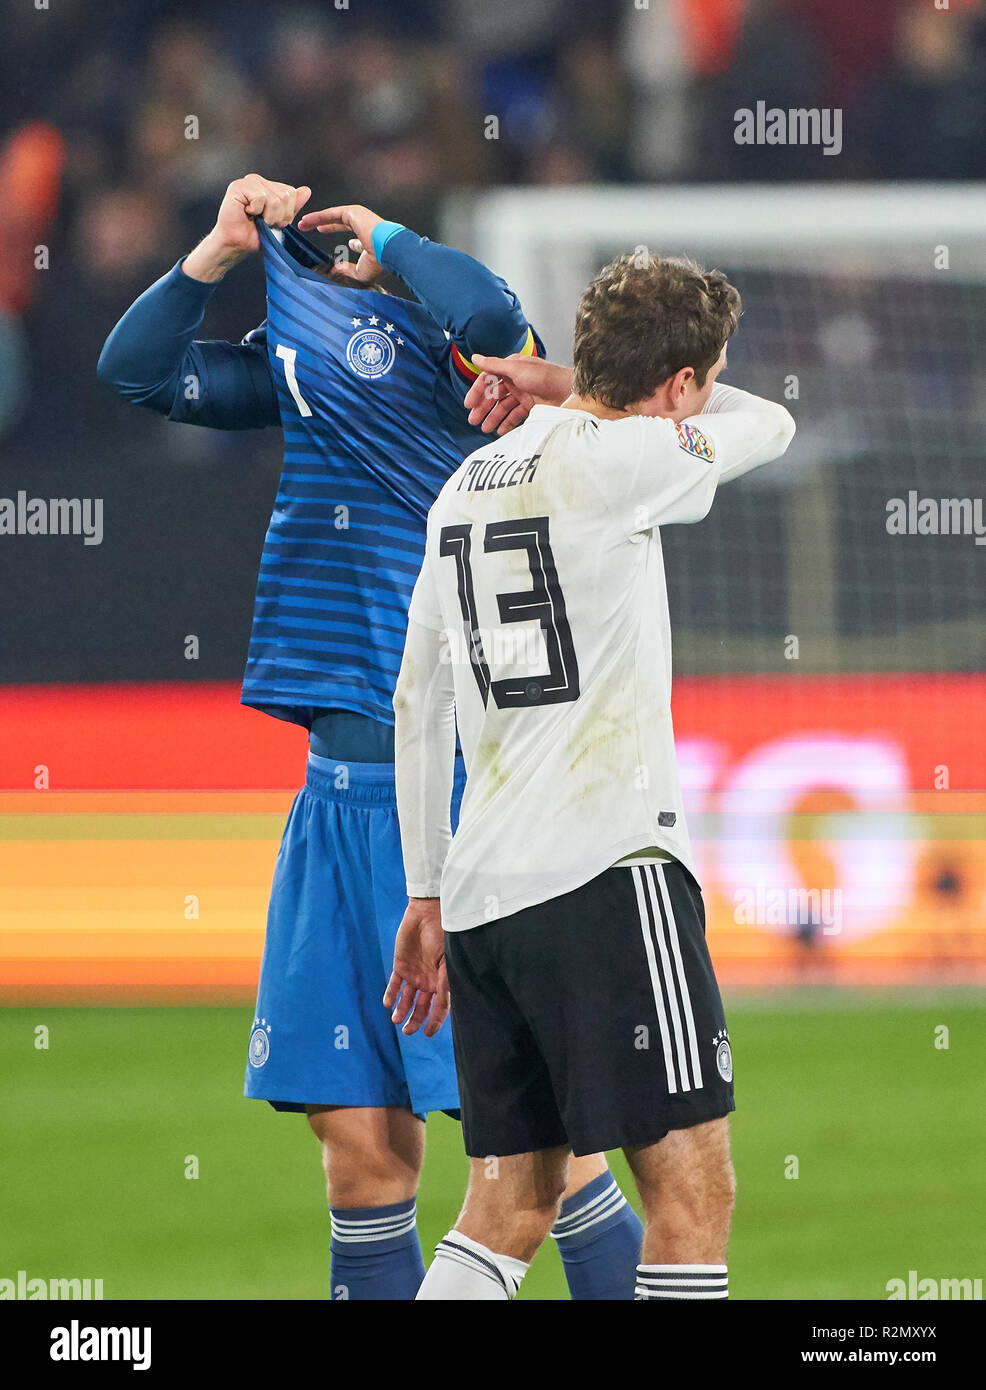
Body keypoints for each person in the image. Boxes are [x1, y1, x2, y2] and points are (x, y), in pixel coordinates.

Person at [97, 176, 642, 1300]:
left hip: (464, 800)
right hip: (335, 803)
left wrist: (387, 243)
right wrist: (214, 249)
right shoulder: (310, 385)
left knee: (547, 1151)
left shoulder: (486, 375)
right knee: (359, 1152)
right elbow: (136, 370)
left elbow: (489, 313)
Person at [386, 250, 796, 1300]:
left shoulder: (458, 488)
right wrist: (579, 391)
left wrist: (425, 888)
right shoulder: (623, 464)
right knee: (689, 1195)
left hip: (482, 897)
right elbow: (770, 424)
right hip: (606, 875)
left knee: (506, 1206)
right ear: (675, 390)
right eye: (695, 378)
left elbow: (414, 701)